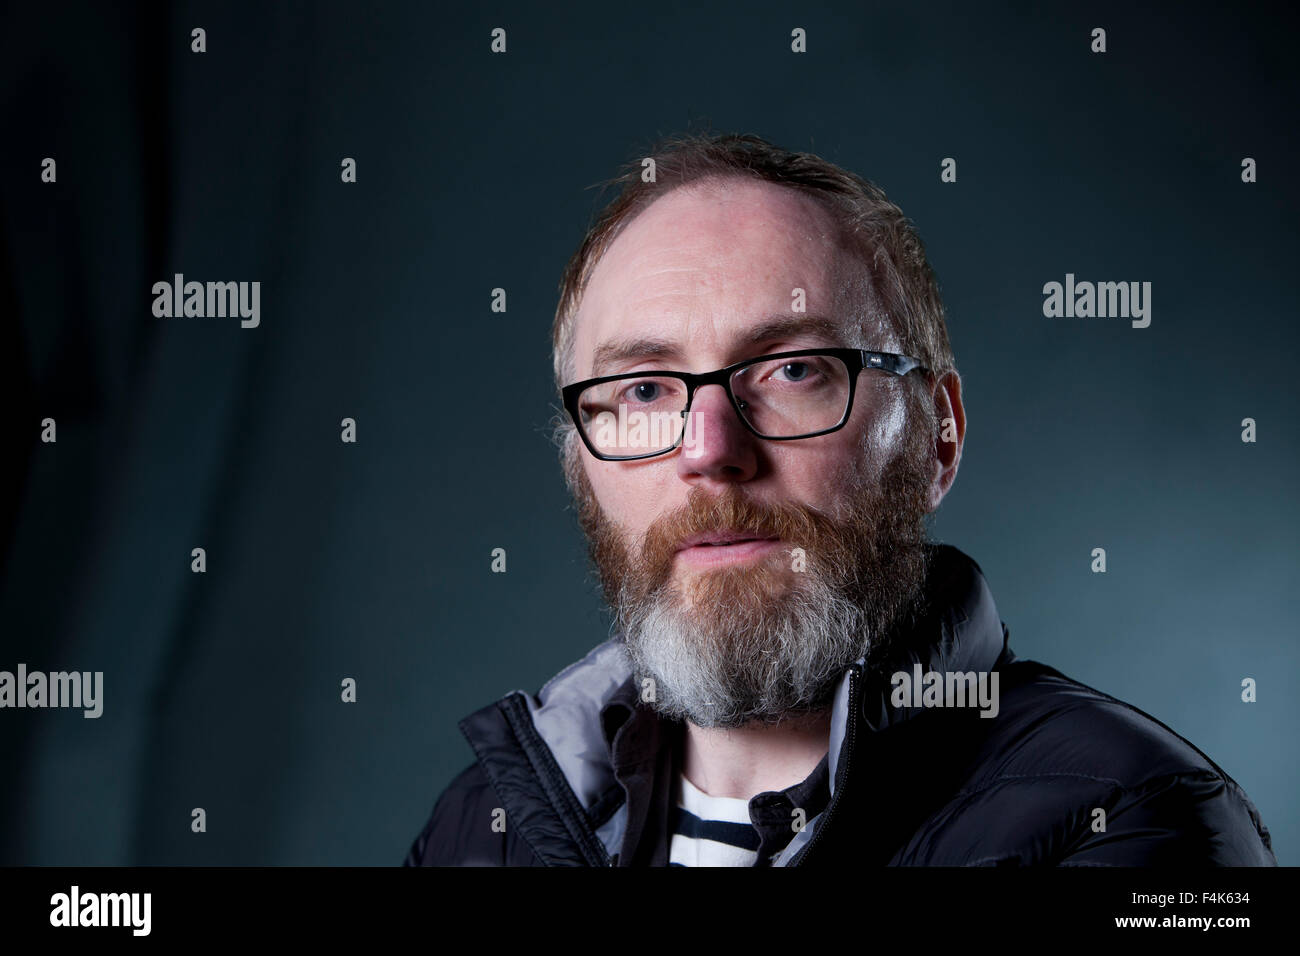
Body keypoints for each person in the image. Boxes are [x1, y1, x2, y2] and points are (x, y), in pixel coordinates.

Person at [404, 133, 1276, 866]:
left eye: (794, 371)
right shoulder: (487, 823)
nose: (711, 451)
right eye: (643, 391)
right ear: (578, 462)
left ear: (938, 433)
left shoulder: (1134, 814)